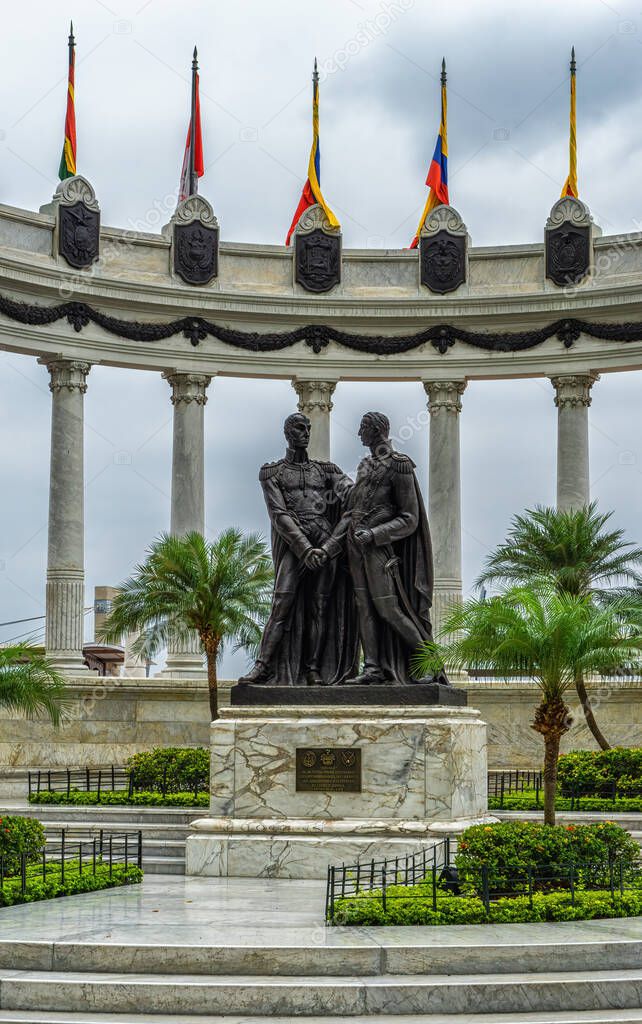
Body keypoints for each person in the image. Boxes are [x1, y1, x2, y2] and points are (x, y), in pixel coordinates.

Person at [323, 411, 449, 686]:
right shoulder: (365, 465)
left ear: (376, 430)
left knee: (388, 609)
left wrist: (375, 534)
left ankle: (430, 661)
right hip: (355, 548)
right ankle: (373, 668)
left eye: (362, 429)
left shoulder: (400, 465)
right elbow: (355, 505)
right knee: (363, 608)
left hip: (379, 550)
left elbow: (410, 518)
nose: (359, 435)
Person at [239, 412, 358, 687]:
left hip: (325, 542)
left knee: (320, 607)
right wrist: (305, 550)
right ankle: (263, 666)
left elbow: (351, 496)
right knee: (281, 604)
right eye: (299, 429)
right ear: (287, 433)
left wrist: (328, 547)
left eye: (308, 428)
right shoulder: (272, 472)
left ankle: (314, 668)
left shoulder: (326, 470)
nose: (305, 433)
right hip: (295, 546)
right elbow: (279, 514)